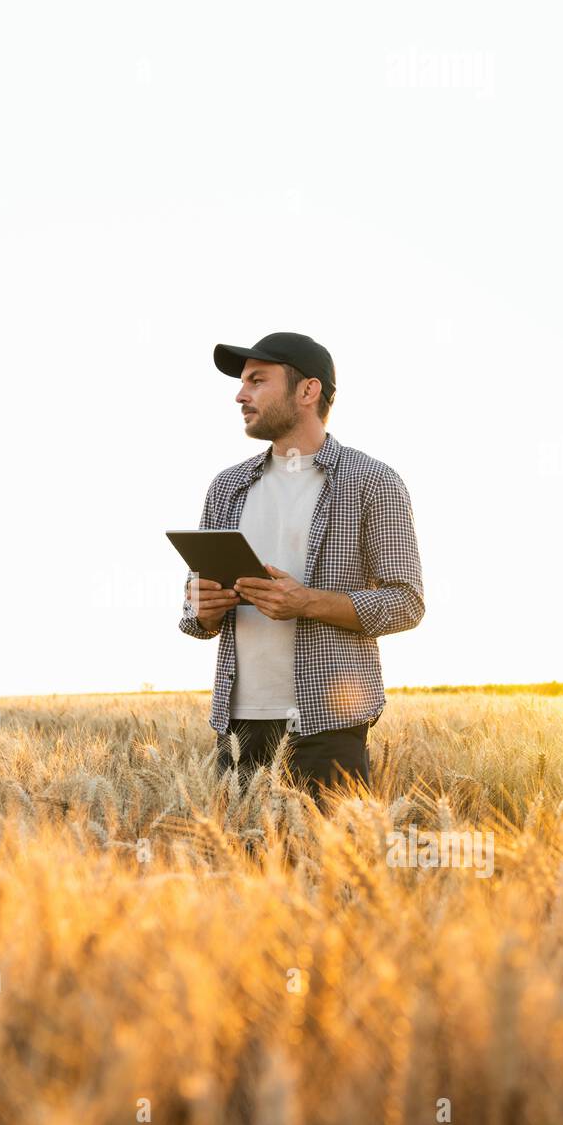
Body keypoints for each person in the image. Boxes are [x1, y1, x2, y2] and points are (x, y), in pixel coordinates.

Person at [178, 331, 424, 806]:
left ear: (308, 391)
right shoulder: (226, 487)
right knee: (241, 875)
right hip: (236, 727)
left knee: (330, 874)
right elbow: (194, 611)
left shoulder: (372, 481)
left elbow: (407, 602)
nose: (240, 394)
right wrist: (203, 609)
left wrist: (305, 602)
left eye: (257, 380)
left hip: (328, 727)